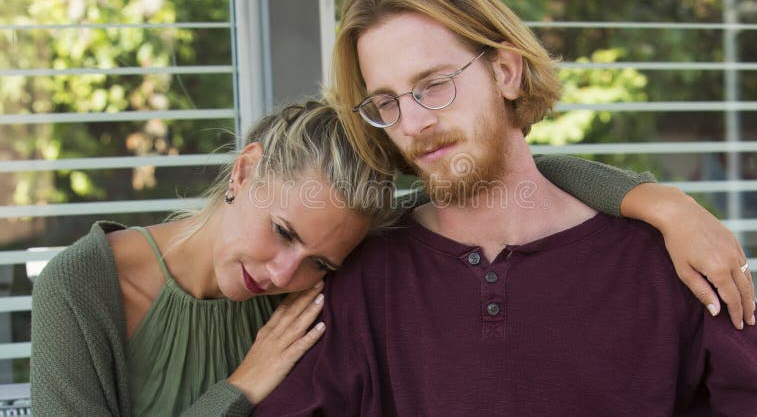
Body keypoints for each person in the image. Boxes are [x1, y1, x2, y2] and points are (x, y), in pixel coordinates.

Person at [253, 0, 757, 415]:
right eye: (388, 103)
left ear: (507, 73)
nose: (413, 123)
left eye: (435, 85)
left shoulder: (666, 258)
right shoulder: (362, 279)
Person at [31, 100, 671, 415]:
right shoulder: (86, 286)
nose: (285, 276)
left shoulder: (326, 281)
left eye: (319, 263)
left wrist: (658, 203)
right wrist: (239, 389)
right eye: (283, 231)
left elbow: (498, 180)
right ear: (247, 170)